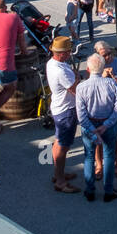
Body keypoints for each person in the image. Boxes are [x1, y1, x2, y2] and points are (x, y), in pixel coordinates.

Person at [76, 53, 117, 202]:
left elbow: (81, 115)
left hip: (89, 124)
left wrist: (92, 128)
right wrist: (105, 125)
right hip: (108, 124)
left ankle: (90, 191)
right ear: (103, 68)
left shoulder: (81, 87)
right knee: (109, 156)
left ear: (88, 69)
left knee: (89, 157)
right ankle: (108, 191)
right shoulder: (112, 84)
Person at [44, 35, 81, 194]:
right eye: (68, 51)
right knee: (63, 146)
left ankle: (58, 174)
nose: (70, 53)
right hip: (66, 110)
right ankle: (60, 181)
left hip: (58, 107)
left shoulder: (52, 63)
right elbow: (75, 90)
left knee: (59, 141)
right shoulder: (61, 71)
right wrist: (78, 77)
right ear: (62, 53)